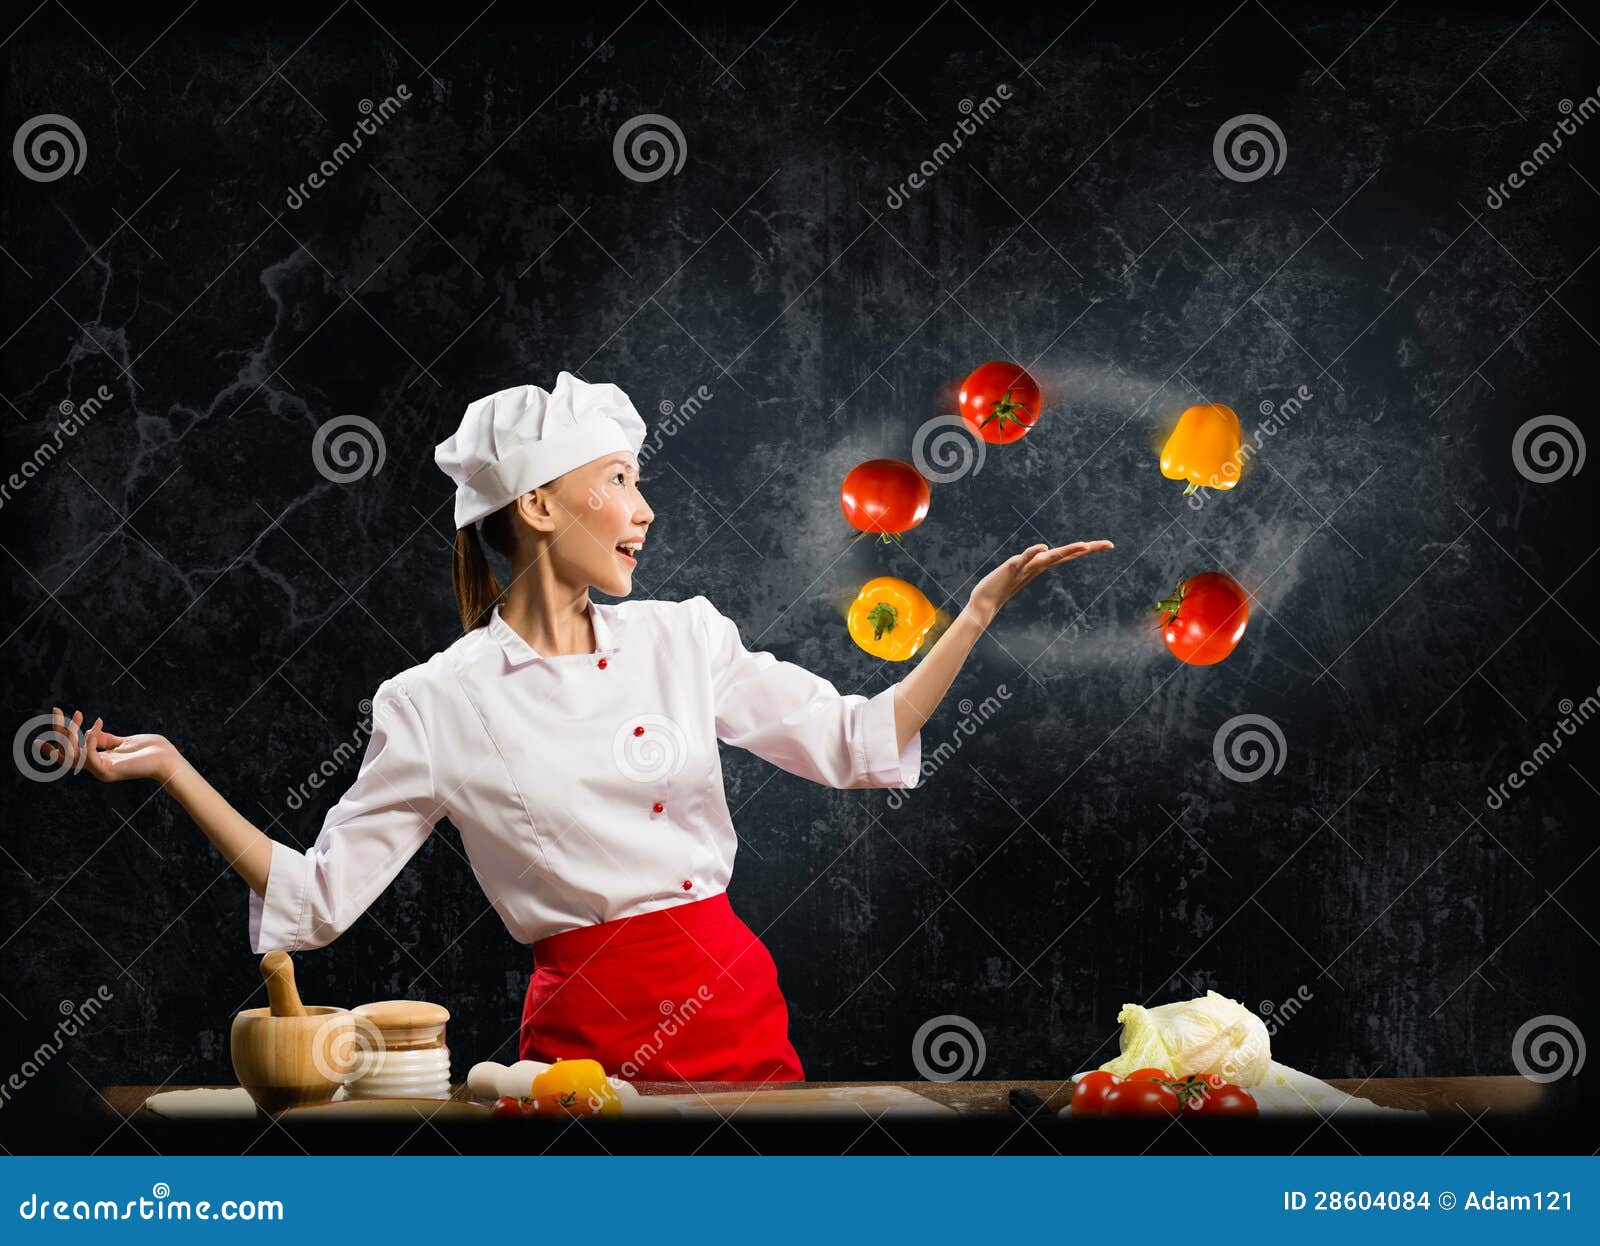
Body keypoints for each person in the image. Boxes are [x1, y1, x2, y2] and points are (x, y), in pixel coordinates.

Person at [45, 371, 1113, 1082]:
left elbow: (856, 740)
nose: (643, 507)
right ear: (541, 508)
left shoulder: (685, 637)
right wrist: (177, 769)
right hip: (583, 1050)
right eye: (618, 480)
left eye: (639, 481)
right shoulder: (435, 700)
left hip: (738, 1009)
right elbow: (316, 900)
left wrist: (971, 616)